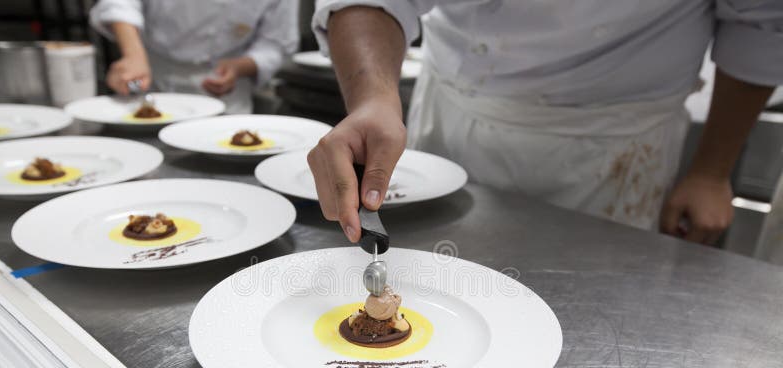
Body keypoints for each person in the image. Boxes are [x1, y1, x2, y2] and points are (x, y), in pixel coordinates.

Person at [307, 1, 783, 245]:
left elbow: (760, 20)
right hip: (452, 116)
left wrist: (712, 170)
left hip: (615, 149)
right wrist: (372, 100)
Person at [90, 0, 298, 113]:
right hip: (155, 83)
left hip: (229, 98)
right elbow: (120, 4)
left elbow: (276, 43)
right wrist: (133, 55)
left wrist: (241, 66)